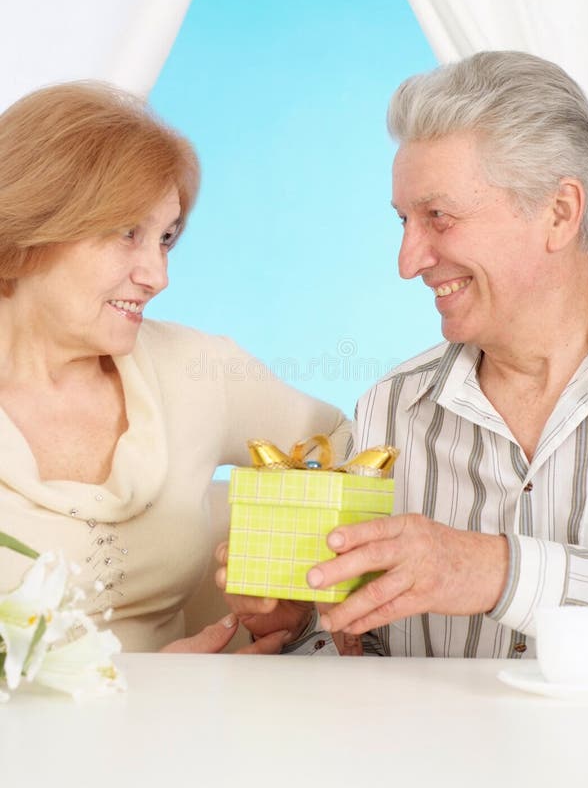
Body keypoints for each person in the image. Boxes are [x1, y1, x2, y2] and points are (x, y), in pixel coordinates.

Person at [239, 50, 588, 658]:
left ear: (559, 213)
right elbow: (365, 661)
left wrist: (495, 571)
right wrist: (298, 625)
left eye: (439, 216)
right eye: (404, 220)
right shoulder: (391, 411)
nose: (408, 263)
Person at [0, 81, 350, 655]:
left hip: (184, 712)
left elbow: (347, 447)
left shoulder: (195, 370)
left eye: (165, 239)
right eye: (127, 233)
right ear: (30, 229)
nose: (157, 277)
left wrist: (293, 595)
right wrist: (137, 682)